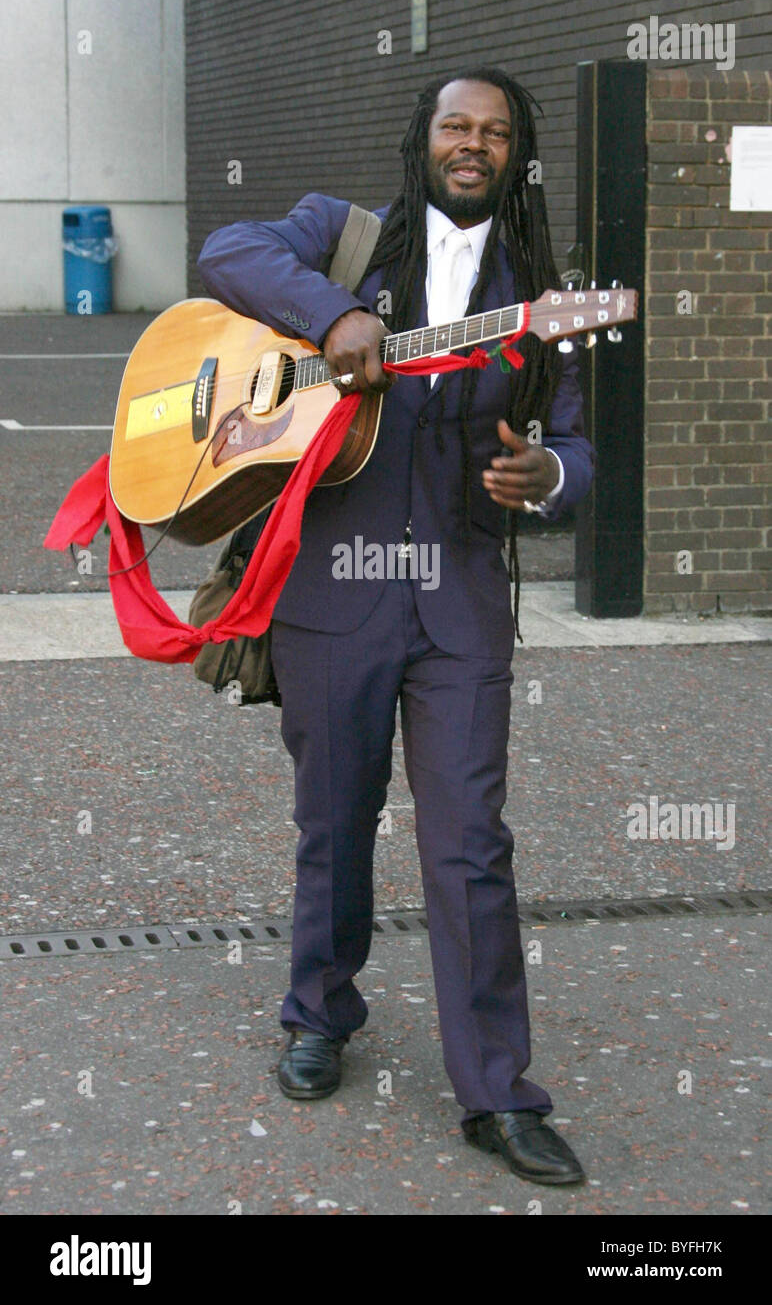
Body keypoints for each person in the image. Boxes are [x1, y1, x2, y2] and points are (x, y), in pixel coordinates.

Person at [197, 66, 594, 1187]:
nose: (473, 144)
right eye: (455, 125)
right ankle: (319, 1009)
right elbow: (228, 251)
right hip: (335, 589)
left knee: (471, 844)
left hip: (462, 598)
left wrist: (546, 472)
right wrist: (336, 313)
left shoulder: (539, 291)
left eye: (496, 133)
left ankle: (495, 1090)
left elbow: (578, 446)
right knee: (334, 817)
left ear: (517, 156)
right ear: (423, 137)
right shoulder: (342, 234)